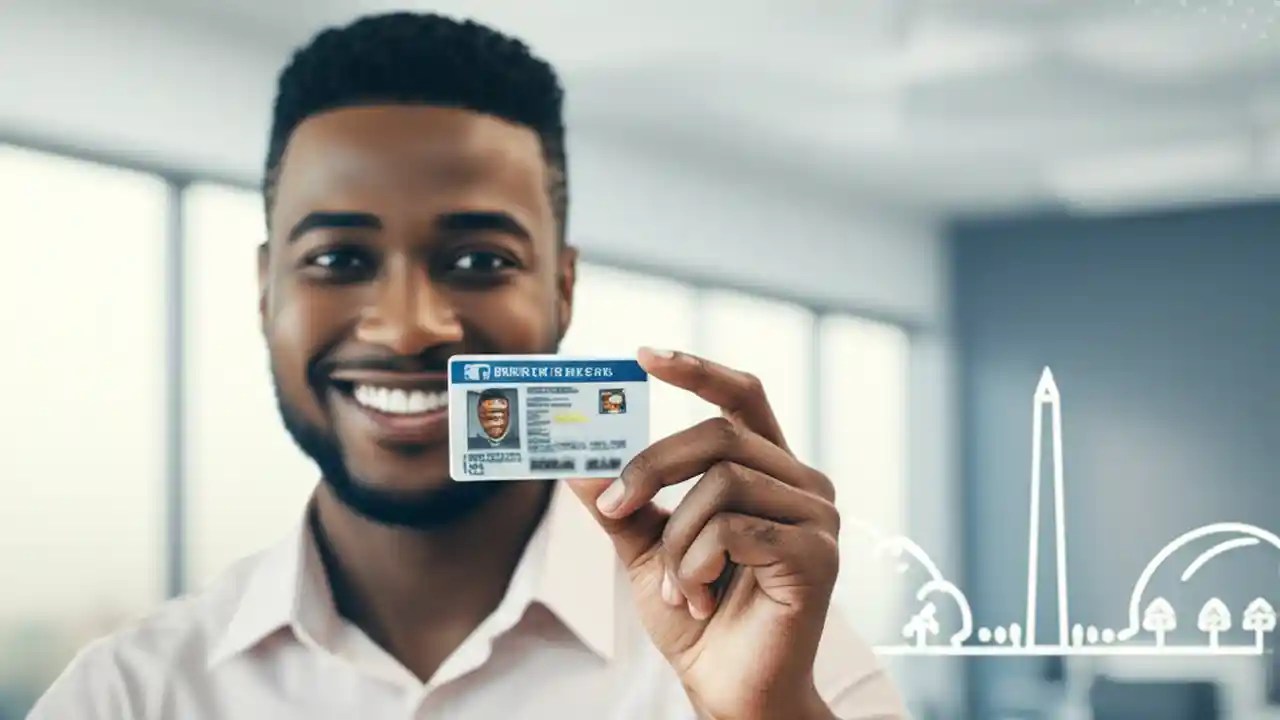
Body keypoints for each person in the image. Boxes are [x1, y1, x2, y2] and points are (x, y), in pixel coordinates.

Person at [29, 12, 906, 720]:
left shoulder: (788, 655)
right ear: (267, 291)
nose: (410, 329)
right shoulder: (126, 696)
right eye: (338, 259)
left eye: (481, 261)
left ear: (562, 290)